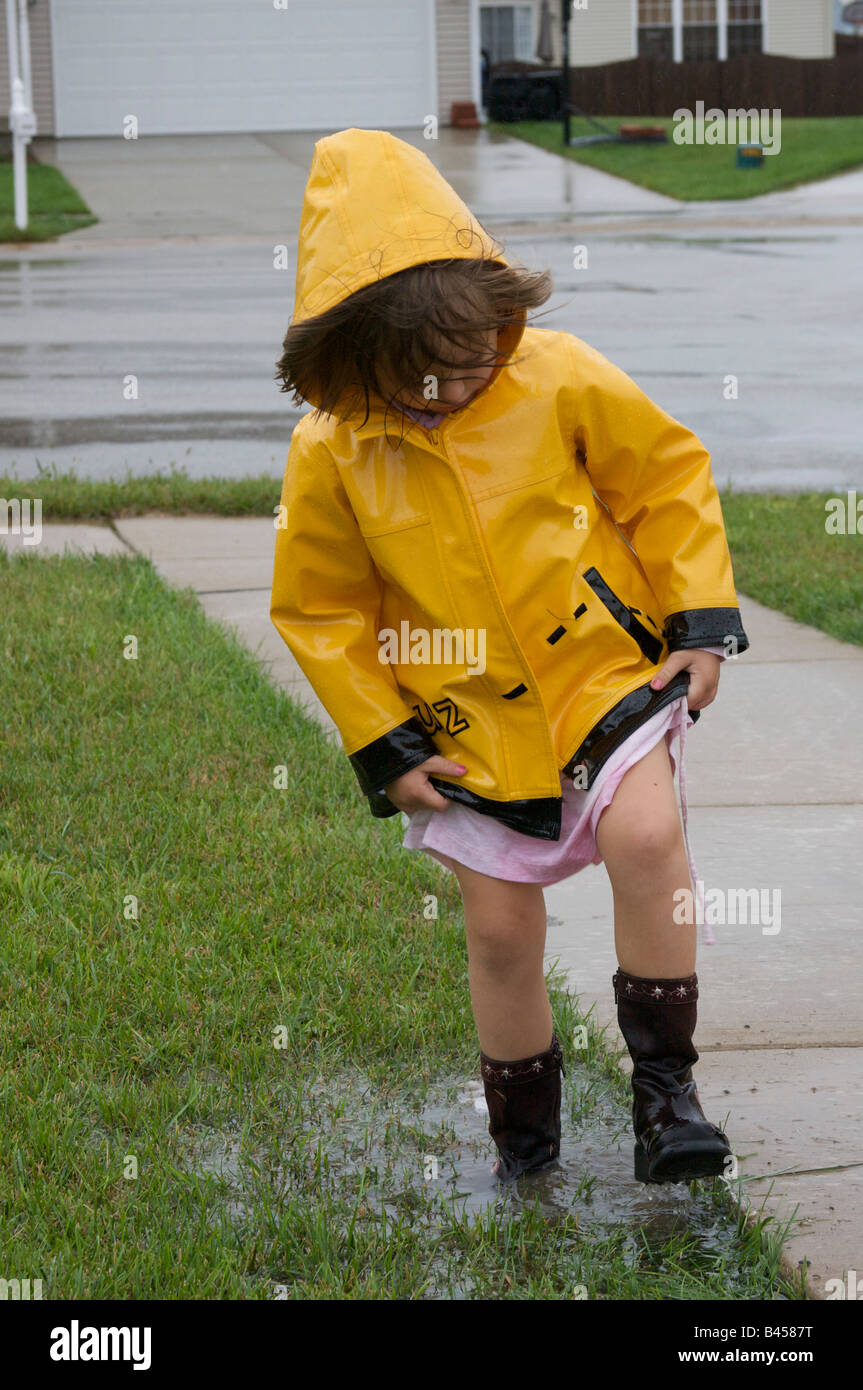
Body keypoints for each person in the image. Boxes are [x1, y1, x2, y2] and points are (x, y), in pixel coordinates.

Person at [271, 128, 750, 1188]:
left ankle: (665, 1097)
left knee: (646, 835)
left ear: (494, 306)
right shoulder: (332, 453)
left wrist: (698, 620)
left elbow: (664, 477)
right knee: (496, 929)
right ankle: (524, 1139)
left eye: (475, 352)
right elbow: (321, 609)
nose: (459, 382)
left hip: (602, 683)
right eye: (424, 378)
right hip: (462, 733)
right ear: (356, 366)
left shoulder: (557, 376)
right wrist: (383, 744)